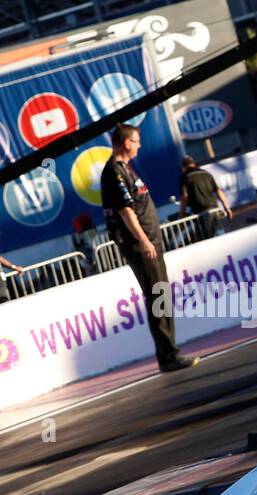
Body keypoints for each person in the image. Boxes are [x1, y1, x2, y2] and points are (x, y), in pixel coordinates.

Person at [100, 123, 197, 372]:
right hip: (141, 244)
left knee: (161, 293)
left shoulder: (125, 169)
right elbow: (125, 210)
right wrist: (143, 240)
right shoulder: (114, 172)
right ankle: (168, 355)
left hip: (151, 241)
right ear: (126, 143)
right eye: (137, 141)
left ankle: (170, 351)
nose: (140, 146)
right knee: (157, 295)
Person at [179, 156, 231, 240]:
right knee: (219, 235)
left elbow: (185, 197)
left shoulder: (184, 177)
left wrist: (181, 216)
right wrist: (226, 207)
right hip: (214, 209)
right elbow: (218, 191)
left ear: (183, 167)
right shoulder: (206, 173)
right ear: (193, 164)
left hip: (201, 213)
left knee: (208, 239)